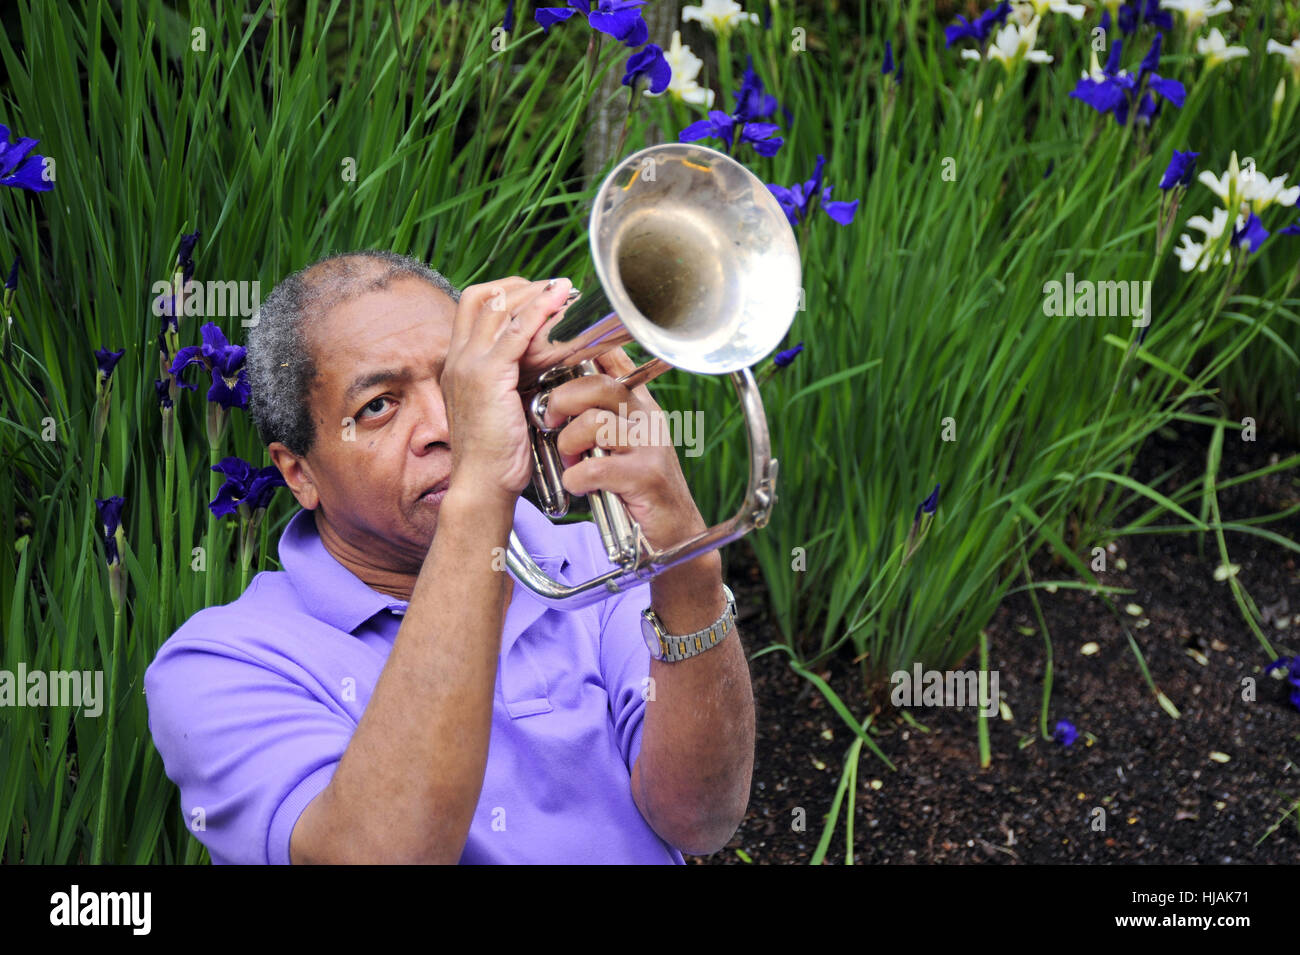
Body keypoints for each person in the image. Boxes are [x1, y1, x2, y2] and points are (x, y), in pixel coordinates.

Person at [144, 250, 756, 864]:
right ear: (299, 473)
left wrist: (687, 564)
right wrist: (482, 491)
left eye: (455, 385)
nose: (443, 424)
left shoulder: (597, 559)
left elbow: (699, 820)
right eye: (378, 405)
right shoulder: (219, 662)